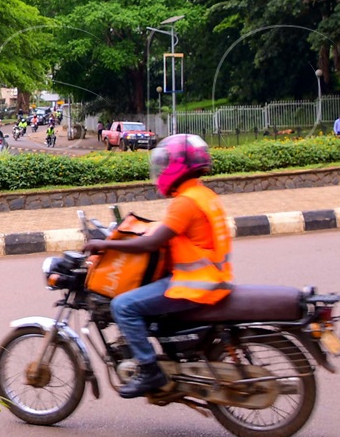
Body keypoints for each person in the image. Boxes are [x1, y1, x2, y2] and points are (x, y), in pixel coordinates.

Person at [85, 134, 232, 398]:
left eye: (166, 164)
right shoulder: (202, 194)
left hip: (194, 285)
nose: (162, 171)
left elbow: (150, 244)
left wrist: (106, 246)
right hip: (213, 277)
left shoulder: (185, 202)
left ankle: (149, 370)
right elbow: (170, 232)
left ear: (178, 166)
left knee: (123, 306)